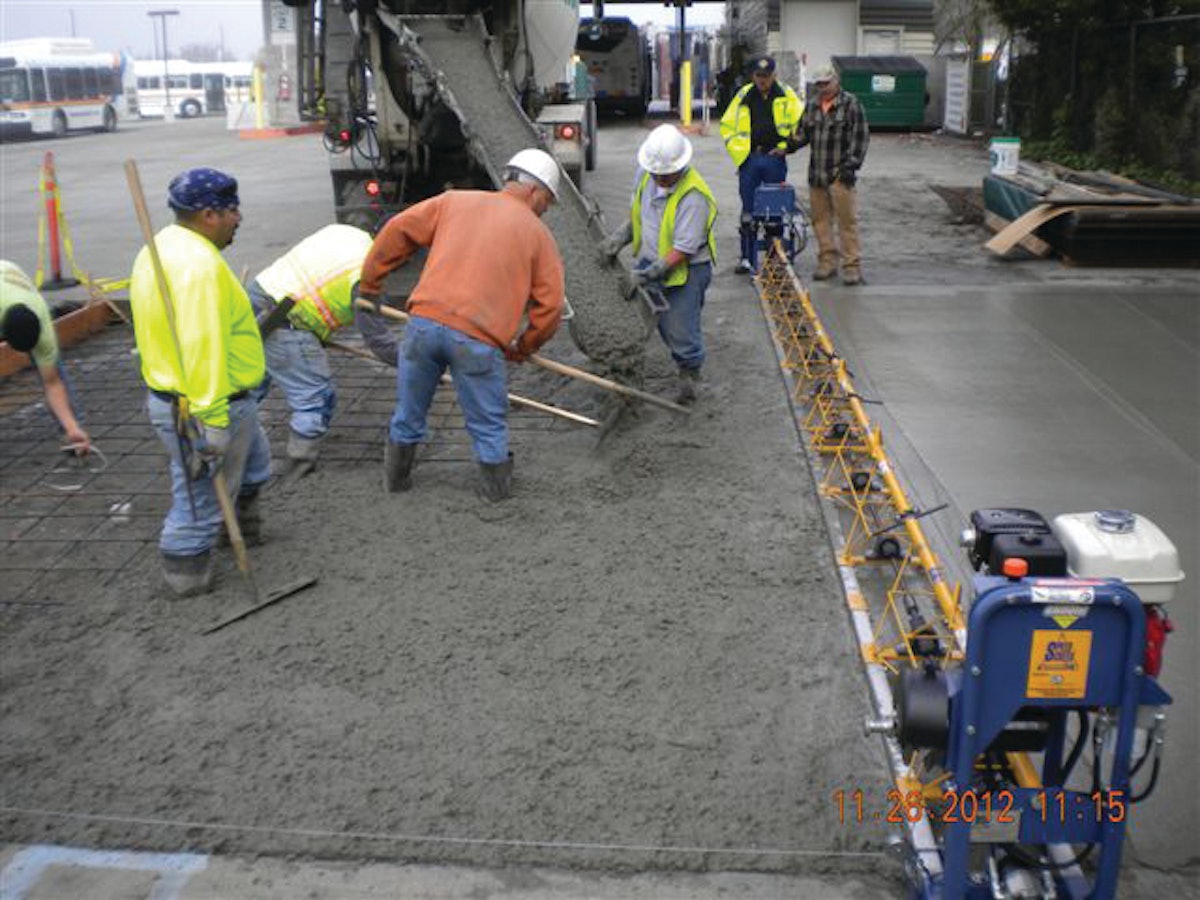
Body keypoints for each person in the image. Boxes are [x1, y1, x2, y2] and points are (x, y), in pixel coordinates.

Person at [357, 148, 565, 502]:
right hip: (478, 341)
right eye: (547, 200)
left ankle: (396, 484)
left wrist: (371, 284)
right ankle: (494, 493)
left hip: (422, 326)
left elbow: (397, 230)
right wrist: (524, 347)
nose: (546, 208)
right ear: (533, 191)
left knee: (408, 412)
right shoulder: (538, 235)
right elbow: (550, 308)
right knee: (488, 424)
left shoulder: (454, 202)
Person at [129, 168, 271, 597]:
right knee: (200, 500)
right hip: (202, 405)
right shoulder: (197, 267)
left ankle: (241, 530)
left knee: (255, 465)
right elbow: (200, 344)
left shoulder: (161, 248)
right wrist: (212, 423)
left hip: (197, 398)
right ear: (209, 214)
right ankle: (186, 578)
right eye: (232, 210)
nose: (239, 218)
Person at [247, 223, 391, 472]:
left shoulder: (347, 232)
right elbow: (376, 338)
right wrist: (411, 362)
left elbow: (316, 280)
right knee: (314, 397)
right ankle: (300, 462)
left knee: (246, 387)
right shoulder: (365, 273)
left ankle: (220, 440)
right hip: (287, 322)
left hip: (253, 304)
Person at [601, 124, 717, 405]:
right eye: (657, 174)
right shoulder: (646, 175)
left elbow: (683, 250)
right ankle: (627, 369)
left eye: (667, 175)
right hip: (651, 259)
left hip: (686, 271)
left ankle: (689, 373)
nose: (661, 180)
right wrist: (618, 240)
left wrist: (646, 275)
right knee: (645, 318)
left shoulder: (694, 196)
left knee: (679, 327)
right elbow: (639, 216)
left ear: (681, 165)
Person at [719, 56, 804, 273]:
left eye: (767, 76)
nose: (763, 81)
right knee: (749, 211)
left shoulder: (786, 95)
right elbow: (727, 126)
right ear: (753, 76)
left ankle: (774, 256)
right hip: (750, 161)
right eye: (759, 76)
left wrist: (787, 147)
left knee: (774, 210)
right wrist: (741, 155)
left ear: (774, 75)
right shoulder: (743, 95)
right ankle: (747, 257)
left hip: (774, 159)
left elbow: (801, 123)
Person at [0, 260, 91, 454]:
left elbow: (52, 383)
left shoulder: (41, 322)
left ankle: (73, 432)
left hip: (12, 280)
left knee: (53, 368)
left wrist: (71, 426)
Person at [794, 65, 870, 285]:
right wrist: (786, 146)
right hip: (817, 174)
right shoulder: (812, 105)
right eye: (819, 84)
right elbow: (802, 134)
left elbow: (861, 137)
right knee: (820, 221)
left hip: (840, 174)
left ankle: (852, 266)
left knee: (847, 222)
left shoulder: (851, 105)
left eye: (826, 83)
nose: (823, 88)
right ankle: (827, 262)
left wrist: (851, 167)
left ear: (836, 81)